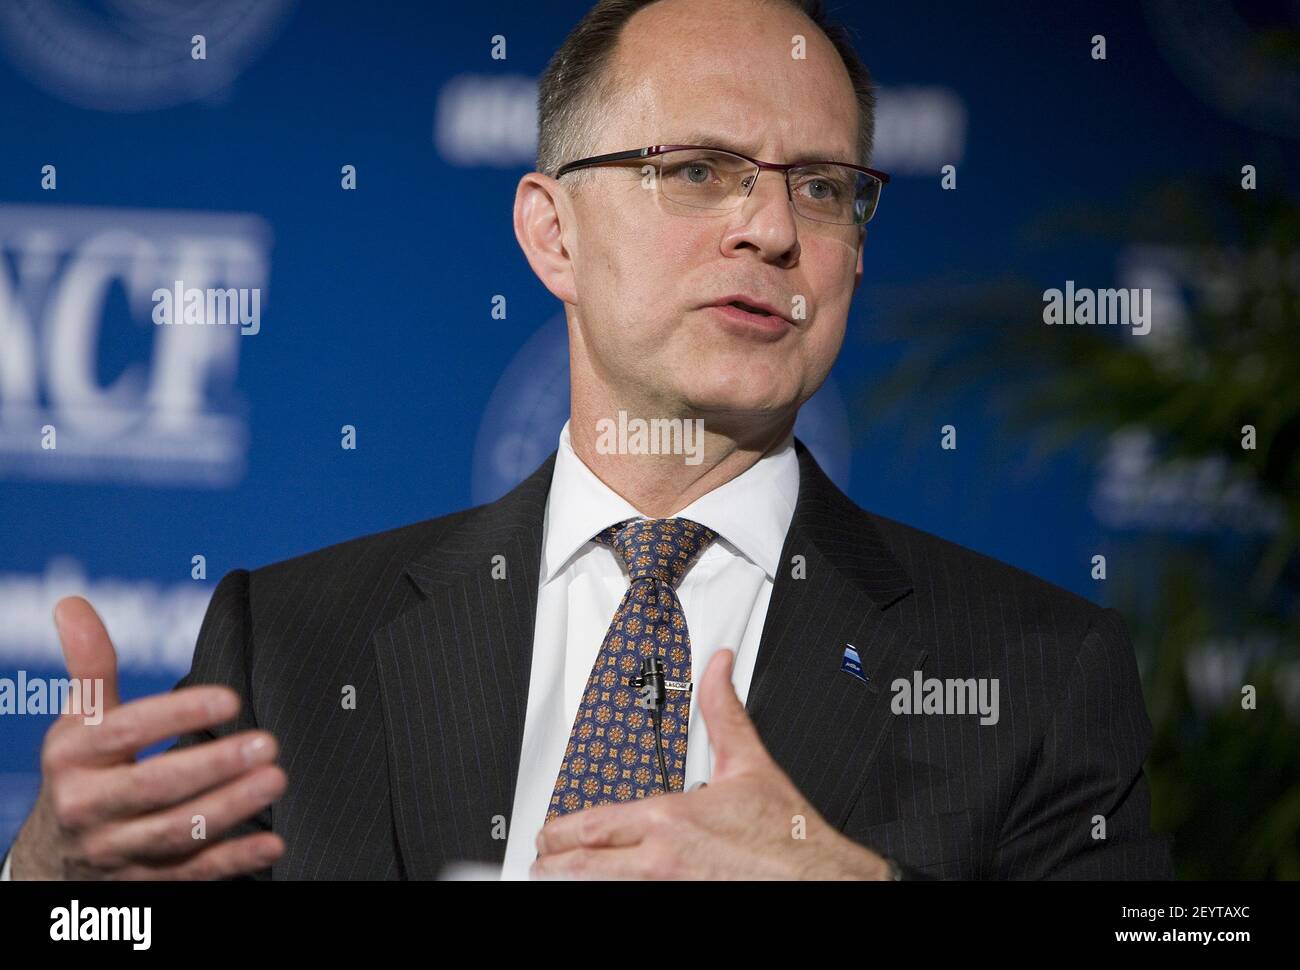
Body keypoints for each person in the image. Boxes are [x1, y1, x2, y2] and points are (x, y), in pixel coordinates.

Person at [3, 0, 1173, 880]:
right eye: (698, 170)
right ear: (550, 234)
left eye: (821, 188)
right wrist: (58, 874)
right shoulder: (295, 644)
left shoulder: (1037, 671)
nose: (770, 227)